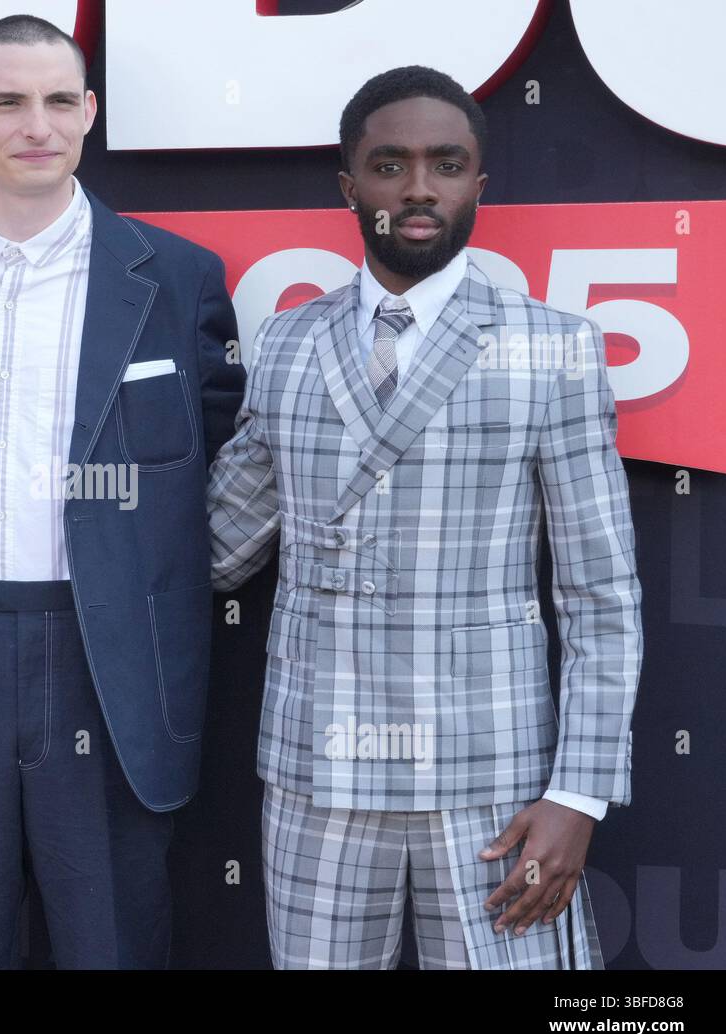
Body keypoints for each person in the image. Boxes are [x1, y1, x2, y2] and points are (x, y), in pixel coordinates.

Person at [208, 65, 642, 969]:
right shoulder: (288, 342)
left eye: (445, 164)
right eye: (389, 164)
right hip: (315, 770)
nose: (416, 188)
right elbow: (215, 547)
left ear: (478, 184)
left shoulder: (554, 349)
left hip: (496, 783)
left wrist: (583, 794)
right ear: (349, 186)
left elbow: (601, 595)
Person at [0, 15, 244, 968]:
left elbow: (229, 461)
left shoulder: (178, 278)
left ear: (90, 112)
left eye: (59, 100)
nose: (38, 124)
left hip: (104, 657)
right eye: (7, 102)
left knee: (112, 942)